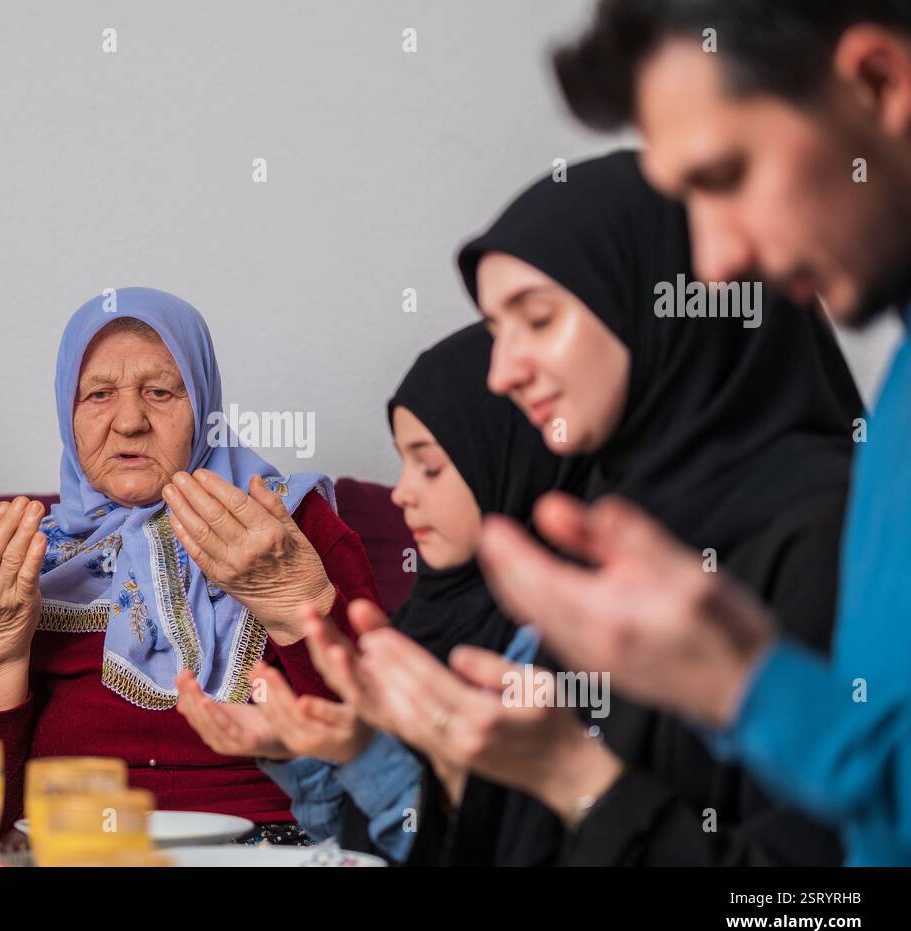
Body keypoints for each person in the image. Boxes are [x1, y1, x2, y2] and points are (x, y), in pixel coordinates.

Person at [308, 152, 860, 864]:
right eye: (496, 329)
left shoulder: (829, 538)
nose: (503, 372)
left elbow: (813, 908)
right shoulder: (594, 533)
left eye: (537, 319)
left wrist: (570, 776)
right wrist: (459, 761)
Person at [465, 0, 911, 866]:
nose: (713, 265)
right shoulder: (896, 396)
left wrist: (742, 685)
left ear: (879, 84)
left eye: (725, 175)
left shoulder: (814, 519)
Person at [0, 288, 380, 840]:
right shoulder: (26, 556)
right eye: (97, 394)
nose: (129, 422)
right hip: (74, 845)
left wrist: (295, 605)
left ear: (204, 403)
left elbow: (381, 751)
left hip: (262, 844)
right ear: (66, 413)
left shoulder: (284, 523)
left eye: (161, 392)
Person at [177, 324, 591, 863]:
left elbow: (476, 849)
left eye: (432, 466)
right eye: (402, 460)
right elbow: (351, 837)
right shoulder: (432, 613)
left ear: (508, 457)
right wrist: (299, 747)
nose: (402, 492)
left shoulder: (565, 645)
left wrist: (363, 751)